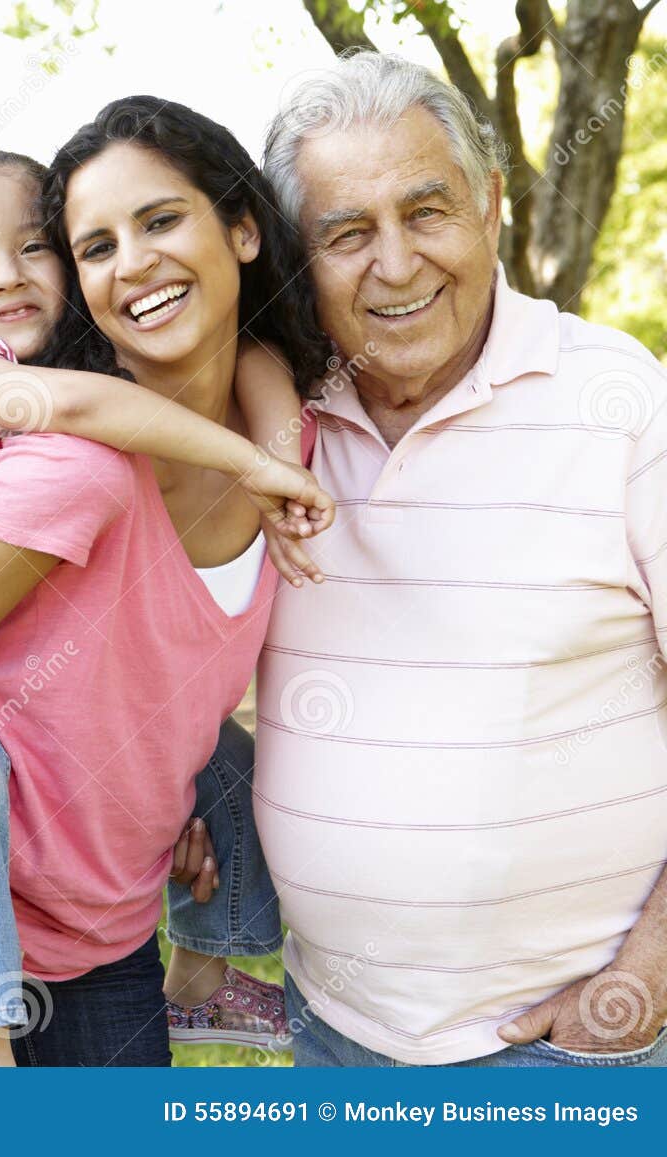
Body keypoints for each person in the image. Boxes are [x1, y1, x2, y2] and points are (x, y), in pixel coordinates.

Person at [0, 96, 334, 1065]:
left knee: (228, 757)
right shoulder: (73, 465)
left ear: (244, 229)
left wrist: (155, 787)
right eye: (96, 244)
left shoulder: (288, 437)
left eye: (160, 220)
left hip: (110, 936)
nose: (131, 261)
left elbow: (261, 361)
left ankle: (208, 970)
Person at [256, 49, 667, 1068]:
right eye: (345, 233)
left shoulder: (620, 400)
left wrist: (647, 973)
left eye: (426, 211)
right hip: (332, 1032)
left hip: (567, 1045)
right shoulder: (270, 425)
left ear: (488, 204)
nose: (394, 265)